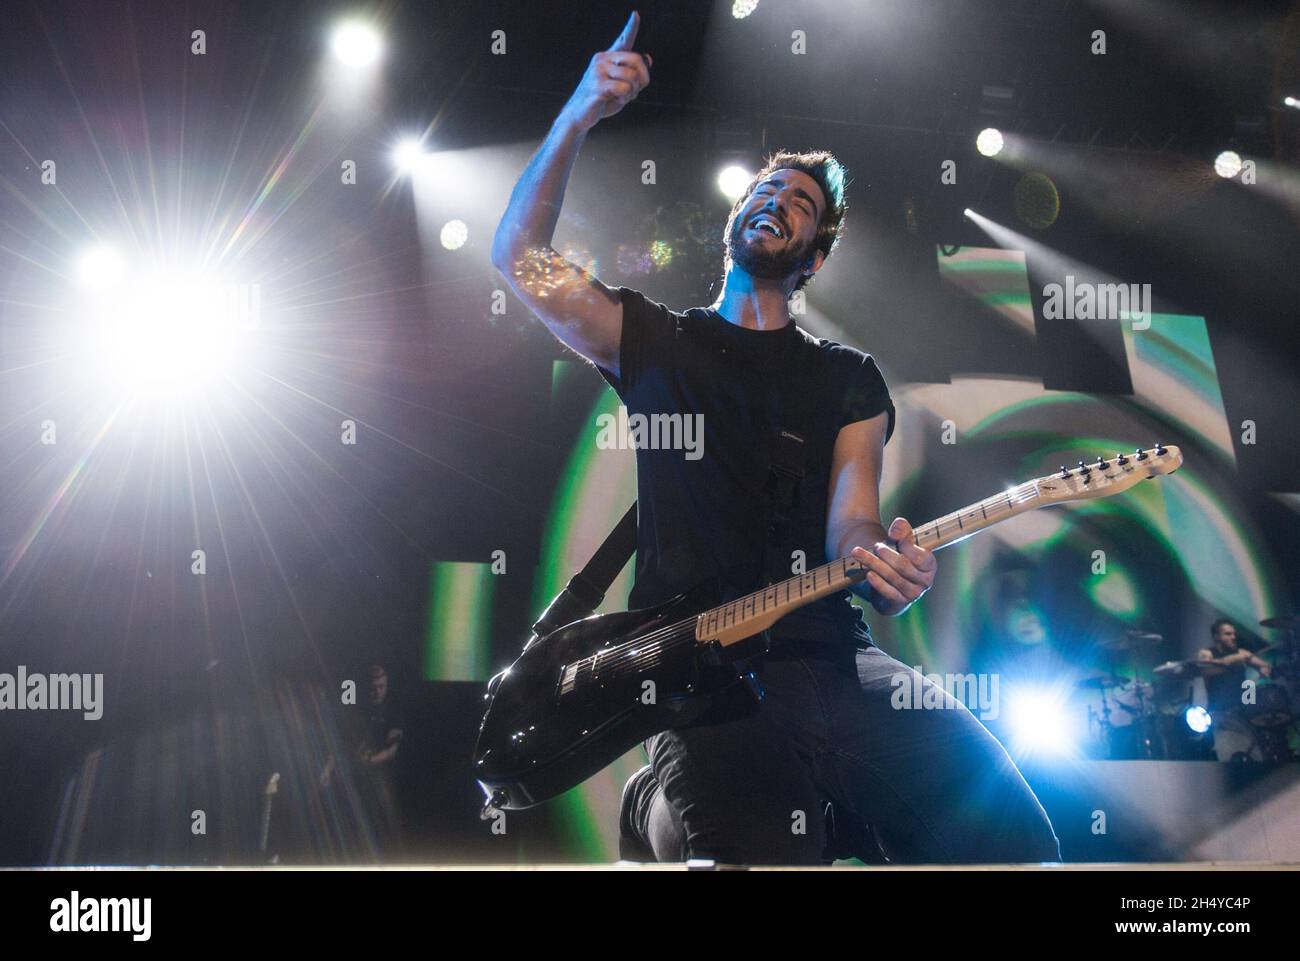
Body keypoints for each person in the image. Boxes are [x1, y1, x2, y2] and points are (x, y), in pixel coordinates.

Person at [491, 12, 1059, 864]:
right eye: (764, 191)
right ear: (735, 219)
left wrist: (888, 566)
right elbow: (520, 257)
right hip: (702, 675)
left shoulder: (847, 378)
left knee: (1019, 849)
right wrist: (578, 111)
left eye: (800, 203)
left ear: (815, 256)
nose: (774, 202)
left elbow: (852, 524)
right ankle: (663, 797)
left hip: (838, 661)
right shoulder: (655, 340)